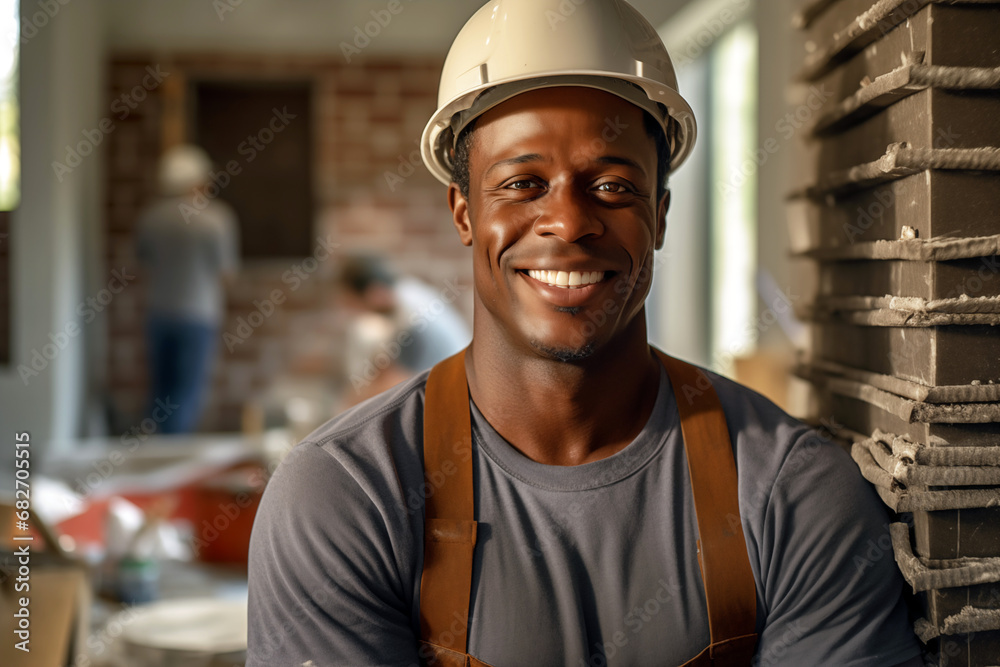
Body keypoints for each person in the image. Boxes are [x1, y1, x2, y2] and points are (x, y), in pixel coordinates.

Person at [247, 1, 923, 665]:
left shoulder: (794, 496)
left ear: (658, 215)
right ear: (463, 212)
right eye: (522, 182)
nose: (567, 222)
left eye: (611, 186)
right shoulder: (343, 497)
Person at [135, 145, 239, 434]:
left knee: (161, 389)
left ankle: (154, 451)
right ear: (198, 181)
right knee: (187, 392)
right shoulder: (216, 219)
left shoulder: (150, 218)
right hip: (199, 315)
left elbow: (143, 263)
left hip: (159, 312)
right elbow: (226, 273)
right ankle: (173, 458)